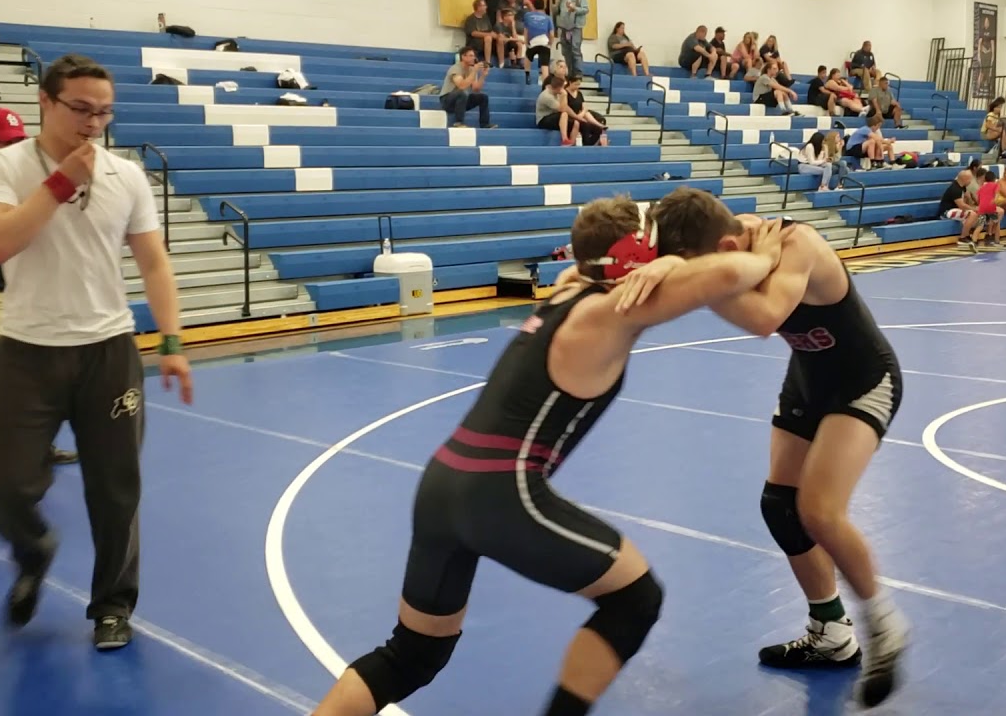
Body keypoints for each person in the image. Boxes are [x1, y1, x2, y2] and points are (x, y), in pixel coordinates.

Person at [311, 192, 792, 716]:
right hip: (500, 493)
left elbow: (654, 267)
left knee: (413, 654)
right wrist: (765, 257)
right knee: (635, 599)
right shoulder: (612, 311)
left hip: (443, 482)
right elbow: (727, 275)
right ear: (636, 258)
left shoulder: (567, 289)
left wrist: (669, 261)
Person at [631, 191, 908, 709]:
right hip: (807, 380)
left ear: (728, 245)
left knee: (820, 511)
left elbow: (764, 317)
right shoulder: (739, 245)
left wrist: (689, 277)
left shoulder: (795, 242)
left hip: (863, 381)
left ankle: (886, 624)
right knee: (780, 506)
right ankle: (831, 634)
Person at [0, 54, 192, 650]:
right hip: (25, 352)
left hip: (107, 352)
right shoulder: (0, 165)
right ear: (45, 102)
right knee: (0, 487)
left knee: (116, 490)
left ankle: (112, 607)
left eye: (103, 112)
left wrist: (171, 341)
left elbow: (153, 262)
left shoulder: (127, 176)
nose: (93, 123)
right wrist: (59, 183)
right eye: (80, 109)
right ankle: (34, 549)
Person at [0, 107, 78, 466]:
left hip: (21, 285)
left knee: (34, 371)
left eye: (16, 141)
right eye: (2, 142)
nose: (10, 148)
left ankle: (36, 447)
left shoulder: (19, 175)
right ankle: (0, 455)